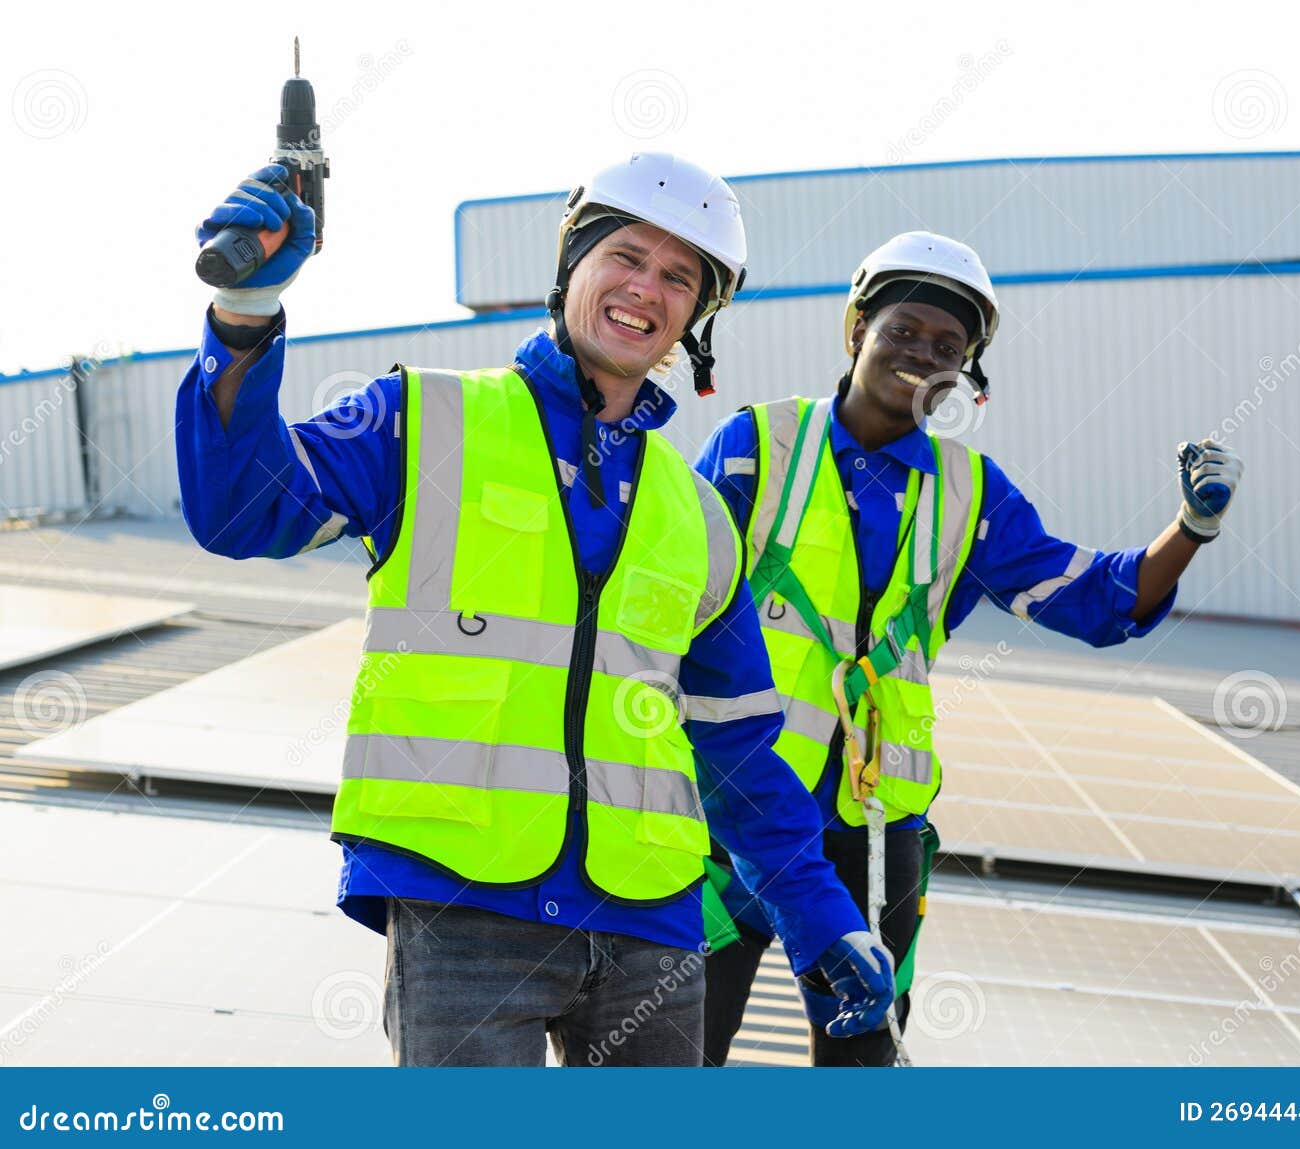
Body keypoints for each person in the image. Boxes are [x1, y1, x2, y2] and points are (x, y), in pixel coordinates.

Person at [176, 153, 895, 1066]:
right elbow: (244, 508)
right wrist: (245, 317)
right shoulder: (422, 420)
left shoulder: (701, 514)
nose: (648, 289)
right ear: (572, 264)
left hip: (655, 926)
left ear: (698, 317)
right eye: (628, 256)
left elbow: (738, 747)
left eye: (681, 277)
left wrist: (822, 916)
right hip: (466, 912)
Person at [694, 231, 1245, 1065]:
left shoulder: (971, 493)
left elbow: (1095, 599)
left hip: (873, 829)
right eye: (904, 331)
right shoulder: (757, 447)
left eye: (948, 348)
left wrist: (1192, 529)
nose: (923, 355)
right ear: (856, 331)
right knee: (676, 1046)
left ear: (966, 373)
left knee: (862, 1069)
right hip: (728, 811)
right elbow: (663, 601)